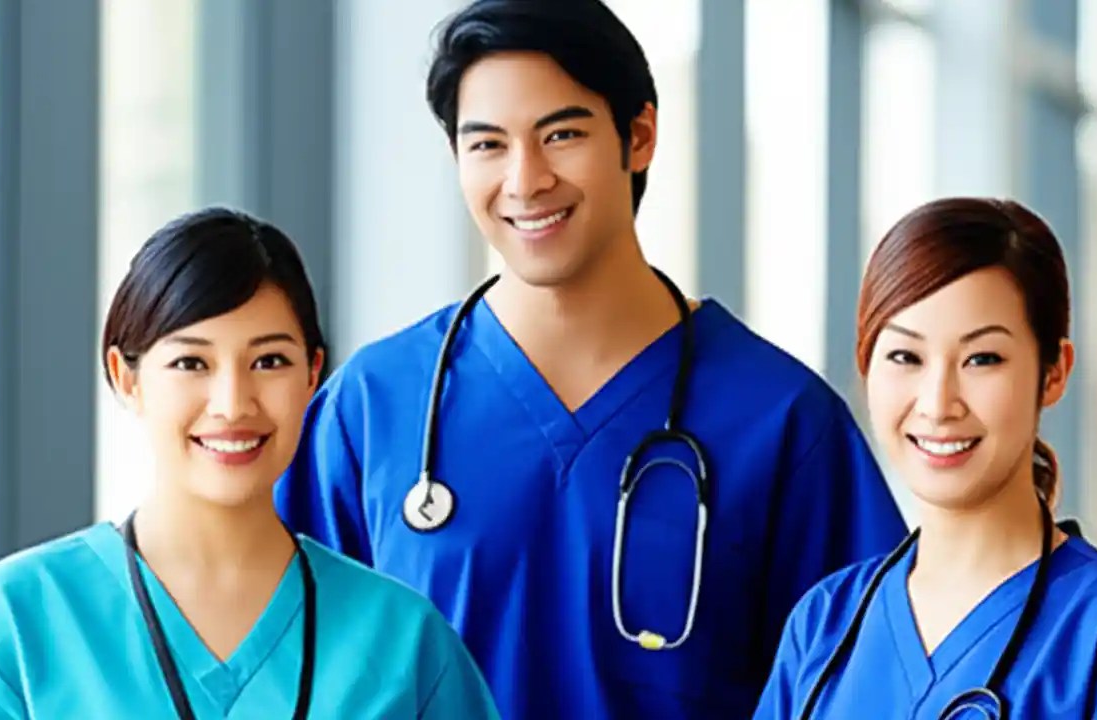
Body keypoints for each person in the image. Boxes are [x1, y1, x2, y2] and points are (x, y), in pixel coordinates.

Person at [272, 1, 906, 718]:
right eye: (487, 145)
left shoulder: (780, 421)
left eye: (561, 134)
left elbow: (864, 684)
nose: (526, 179)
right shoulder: (376, 407)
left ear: (638, 136)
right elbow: (275, 661)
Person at [0, 208, 500, 719]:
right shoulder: (19, 622)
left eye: (270, 360)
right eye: (191, 364)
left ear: (312, 374)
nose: (232, 404)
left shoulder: (404, 643)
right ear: (127, 378)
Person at [753, 197, 1097, 719]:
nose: (939, 403)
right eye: (906, 357)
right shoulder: (824, 627)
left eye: (982, 359)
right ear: (866, 365)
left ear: (1054, 372)